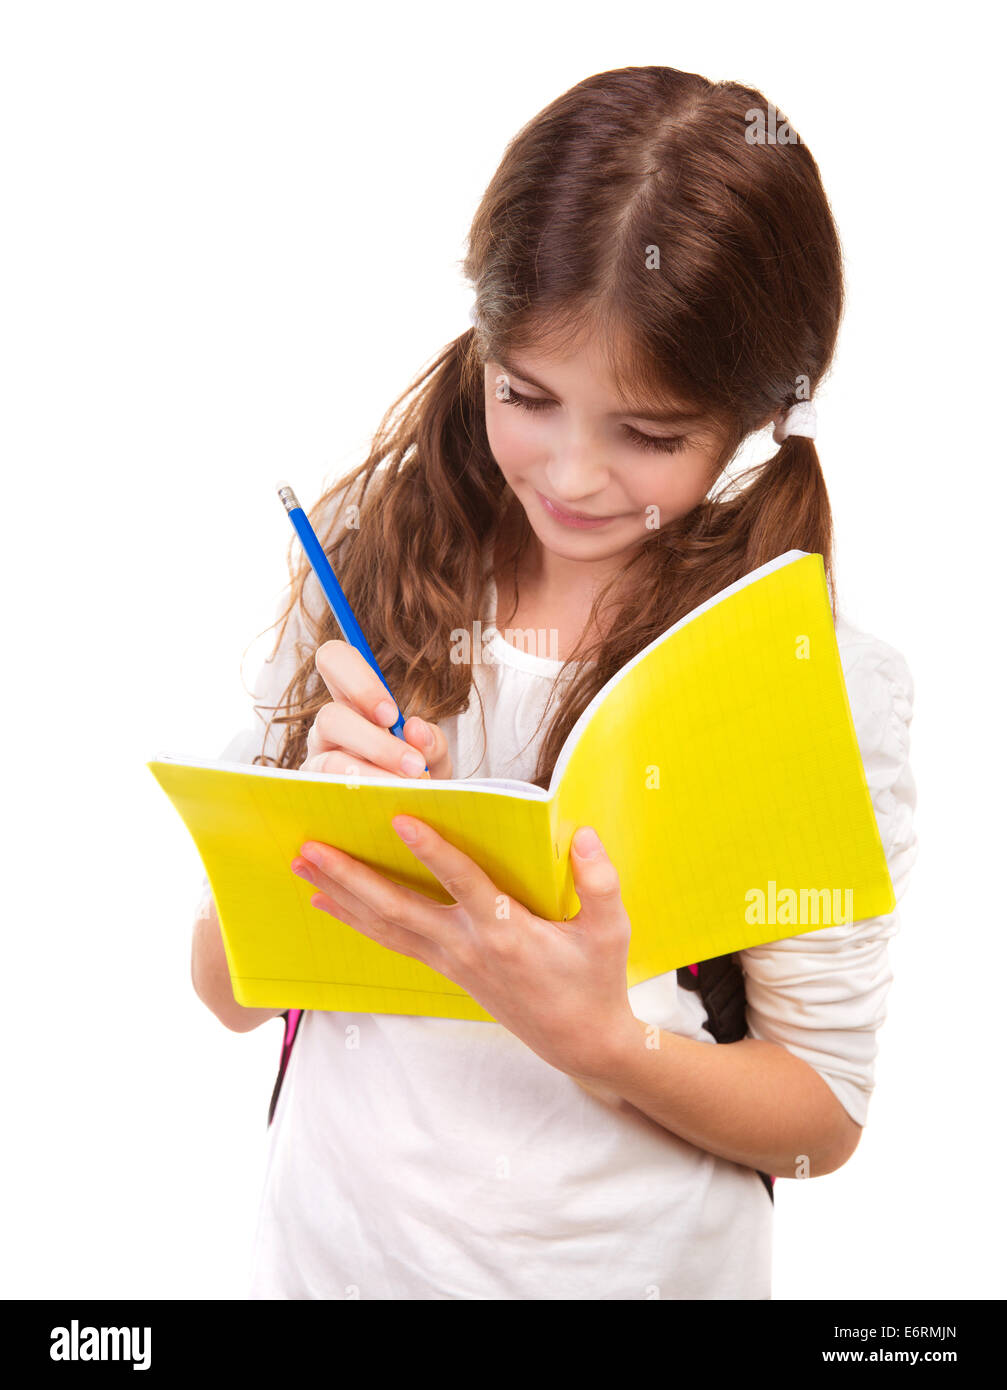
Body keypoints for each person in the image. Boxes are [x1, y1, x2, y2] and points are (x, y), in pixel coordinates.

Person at [191, 64, 917, 1300]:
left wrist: (598, 1038)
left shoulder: (804, 677)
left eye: (647, 434)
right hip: (328, 1265)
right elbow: (225, 993)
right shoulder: (372, 557)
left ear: (753, 416)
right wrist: (306, 827)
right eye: (524, 396)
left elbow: (820, 1119)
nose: (571, 475)